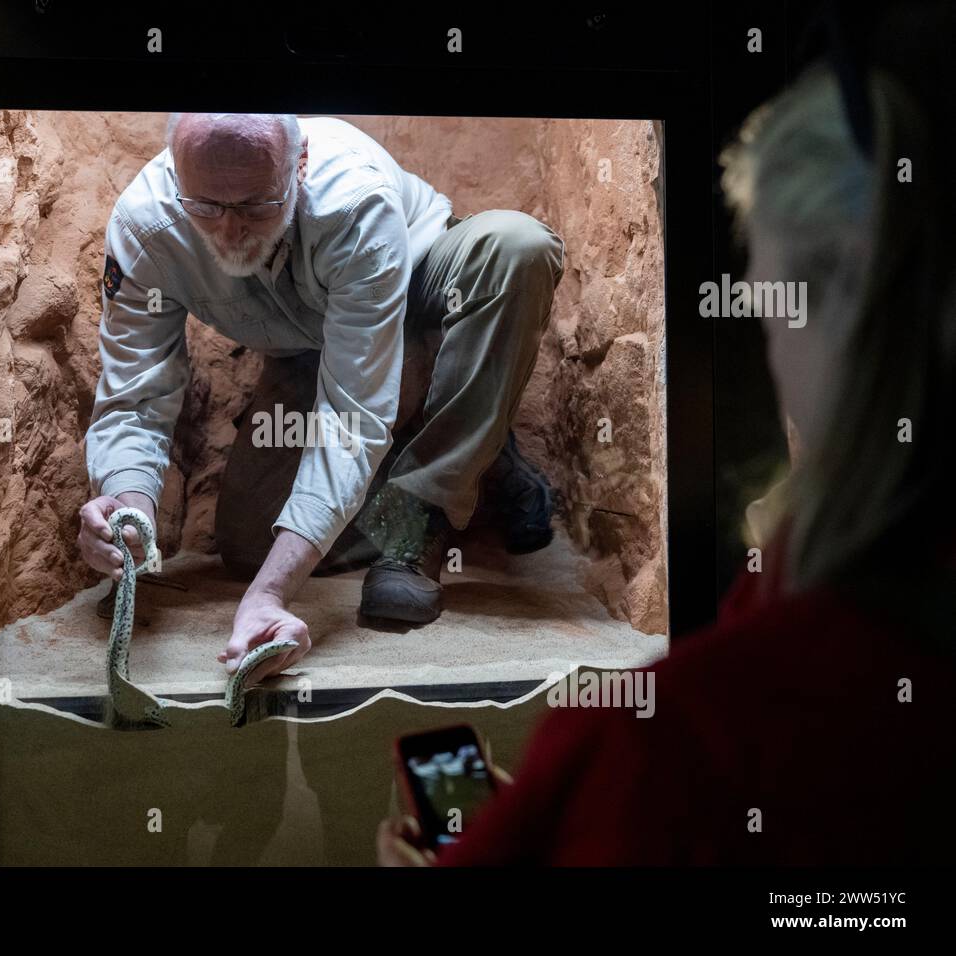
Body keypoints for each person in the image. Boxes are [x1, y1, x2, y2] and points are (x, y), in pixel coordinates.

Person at [378, 36, 956, 865]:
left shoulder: (664, 740)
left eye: (768, 305)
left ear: (843, 314)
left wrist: (575, 807)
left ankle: (474, 478)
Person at [77, 114, 564, 684]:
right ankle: (473, 454)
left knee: (516, 248)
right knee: (251, 548)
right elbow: (137, 395)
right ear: (175, 172)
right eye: (206, 207)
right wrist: (128, 507)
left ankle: (420, 511)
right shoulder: (145, 228)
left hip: (417, 296)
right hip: (310, 349)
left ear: (299, 164)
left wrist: (273, 596)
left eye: (258, 206)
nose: (232, 233)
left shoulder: (354, 199)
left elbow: (351, 415)